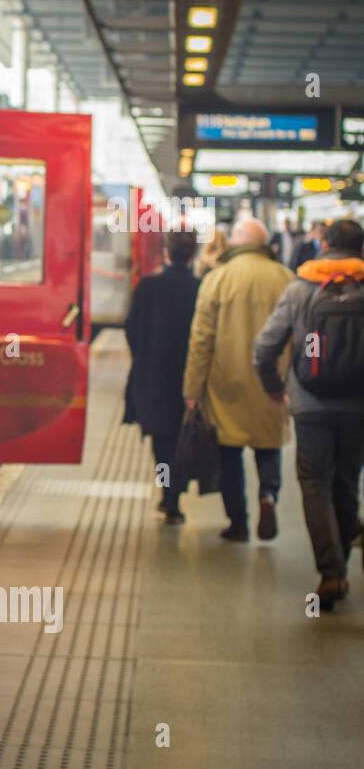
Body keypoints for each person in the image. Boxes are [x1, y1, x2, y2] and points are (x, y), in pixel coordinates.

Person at [253, 219, 364, 608]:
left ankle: (331, 573)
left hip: (311, 404)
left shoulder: (301, 289)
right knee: (347, 481)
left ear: (324, 244)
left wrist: (274, 388)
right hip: (358, 406)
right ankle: (343, 560)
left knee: (315, 483)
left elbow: (265, 348)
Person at [183, 218, 294, 542]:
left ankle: (239, 523)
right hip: (271, 383)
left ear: (236, 242)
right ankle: (269, 495)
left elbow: (201, 340)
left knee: (229, 455)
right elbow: (303, 338)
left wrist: (192, 389)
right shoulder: (286, 279)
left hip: (225, 382)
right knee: (268, 445)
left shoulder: (217, 279)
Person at [125, 230, 200, 524]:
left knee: (161, 442)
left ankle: (166, 490)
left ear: (166, 251)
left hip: (153, 378)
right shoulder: (199, 287)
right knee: (182, 440)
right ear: (193, 254)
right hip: (186, 378)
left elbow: (132, 329)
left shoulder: (148, 286)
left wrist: (143, 359)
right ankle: (176, 495)